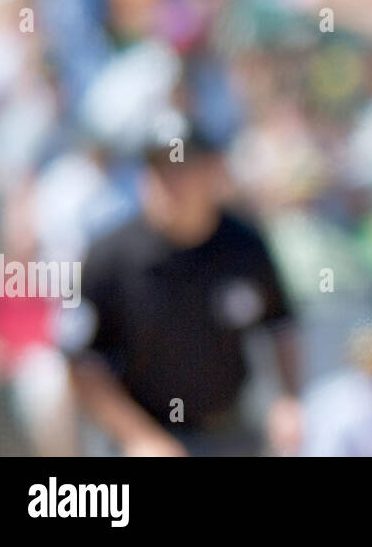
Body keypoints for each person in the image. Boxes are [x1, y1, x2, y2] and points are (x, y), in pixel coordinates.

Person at [60, 124, 303, 456]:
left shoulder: (244, 245)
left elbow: (280, 324)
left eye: (182, 168)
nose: (170, 182)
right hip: (144, 435)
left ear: (211, 172)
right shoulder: (110, 257)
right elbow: (81, 361)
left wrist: (287, 400)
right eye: (158, 170)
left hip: (231, 429)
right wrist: (138, 438)